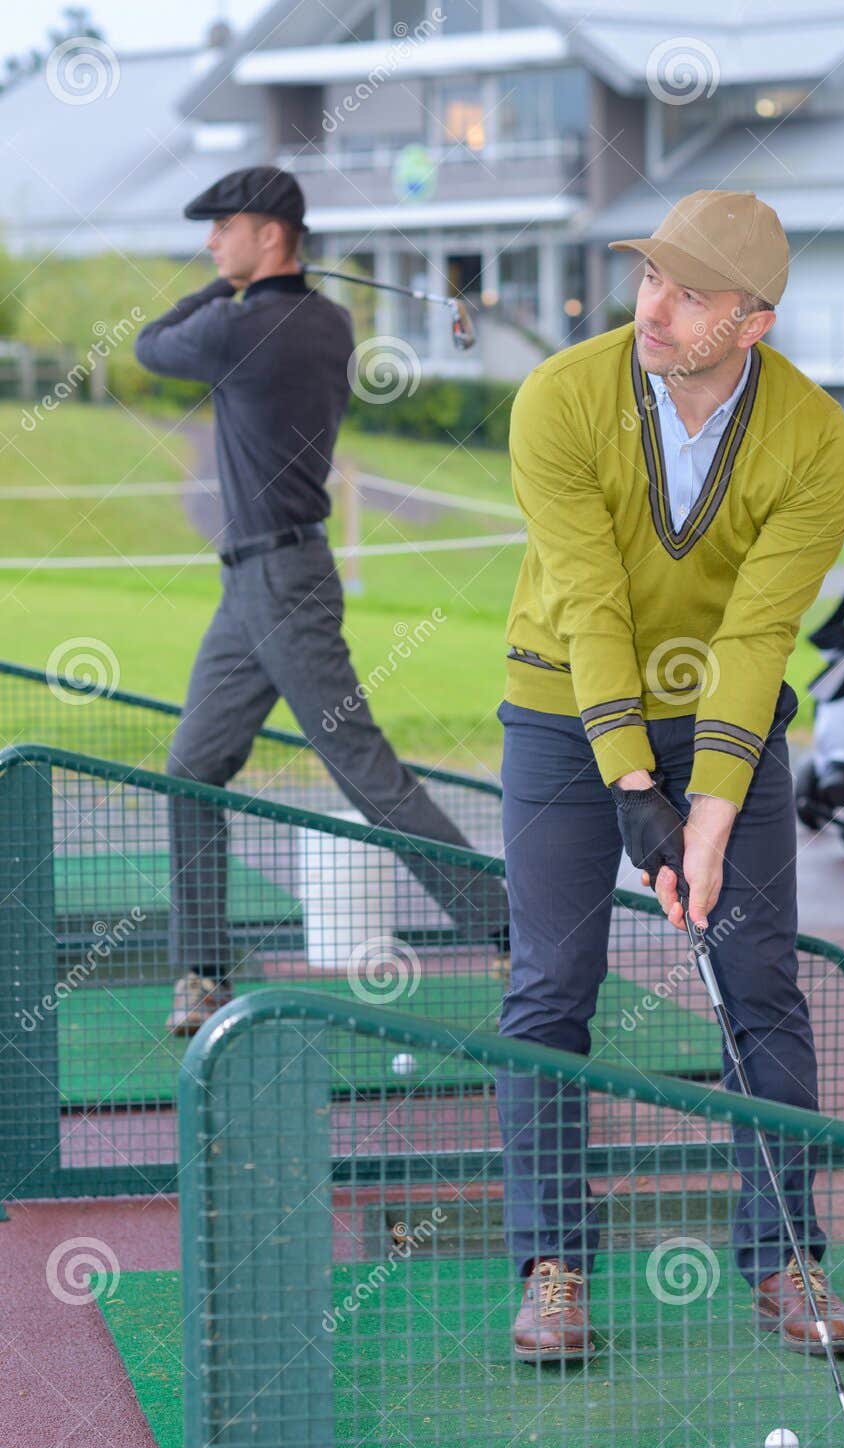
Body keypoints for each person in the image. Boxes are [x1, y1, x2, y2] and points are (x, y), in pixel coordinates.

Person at [497, 189, 844, 1363]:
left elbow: (756, 639)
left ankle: (783, 1253)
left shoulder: (816, 442)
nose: (655, 306)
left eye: (690, 292)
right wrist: (631, 788)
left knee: (760, 980)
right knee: (552, 985)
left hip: (725, 712)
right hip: (564, 705)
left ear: (751, 322)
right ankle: (553, 1264)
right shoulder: (561, 398)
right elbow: (590, 601)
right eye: (651, 275)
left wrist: (703, 815)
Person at [134, 166, 509, 1034]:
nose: (210, 242)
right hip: (257, 582)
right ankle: (201, 975)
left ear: (270, 234)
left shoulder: (237, 331)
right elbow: (240, 318)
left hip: (282, 582)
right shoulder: (329, 320)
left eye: (223, 227)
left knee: (366, 772)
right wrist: (251, 281)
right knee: (193, 768)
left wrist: (221, 289)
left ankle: (509, 933)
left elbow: (153, 345)